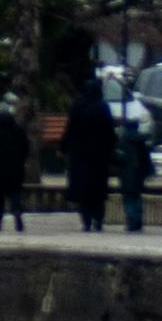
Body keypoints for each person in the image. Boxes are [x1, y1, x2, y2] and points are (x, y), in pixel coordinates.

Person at [62, 75, 116, 233]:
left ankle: (86, 221)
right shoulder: (102, 107)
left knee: (83, 192)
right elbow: (110, 133)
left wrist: (63, 147)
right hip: (99, 157)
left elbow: (70, 129)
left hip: (80, 156)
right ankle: (98, 219)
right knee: (98, 191)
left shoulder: (77, 106)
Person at [0, 92, 34, 232]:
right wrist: (21, 160)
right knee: (15, 192)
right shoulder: (18, 128)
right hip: (16, 167)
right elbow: (25, 147)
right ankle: (17, 211)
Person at [115, 100, 152, 234]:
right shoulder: (141, 141)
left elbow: (117, 158)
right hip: (139, 174)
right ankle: (138, 221)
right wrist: (149, 172)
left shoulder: (123, 141)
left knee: (128, 198)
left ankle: (131, 222)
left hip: (126, 174)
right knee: (136, 197)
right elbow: (147, 160)